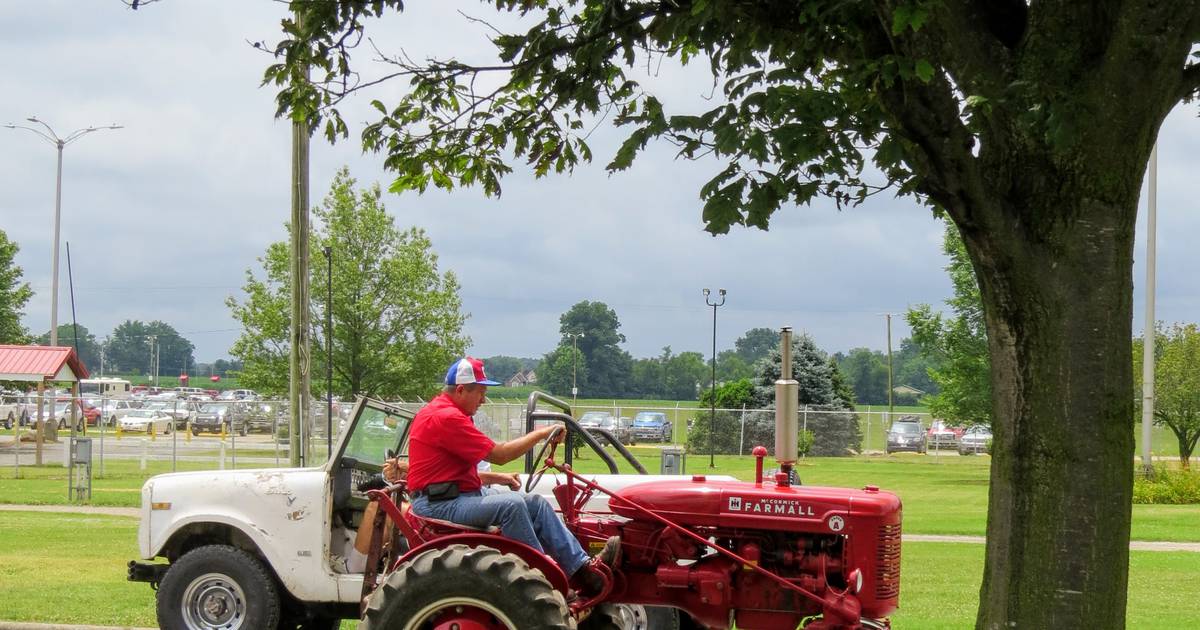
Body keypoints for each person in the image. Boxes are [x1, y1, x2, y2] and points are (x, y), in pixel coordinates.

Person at [407, 356, 618, 595]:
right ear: (461, 390)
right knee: (511, 505)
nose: (483, 400)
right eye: (481, 393)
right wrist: (542, 434)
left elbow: (453, 473)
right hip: (439, 504)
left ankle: (583, 571)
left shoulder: (448, 413)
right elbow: (500, 454)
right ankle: (547, 583)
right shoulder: (445, 417)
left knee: (535, 502)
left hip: (456, 494)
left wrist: (501, 478)